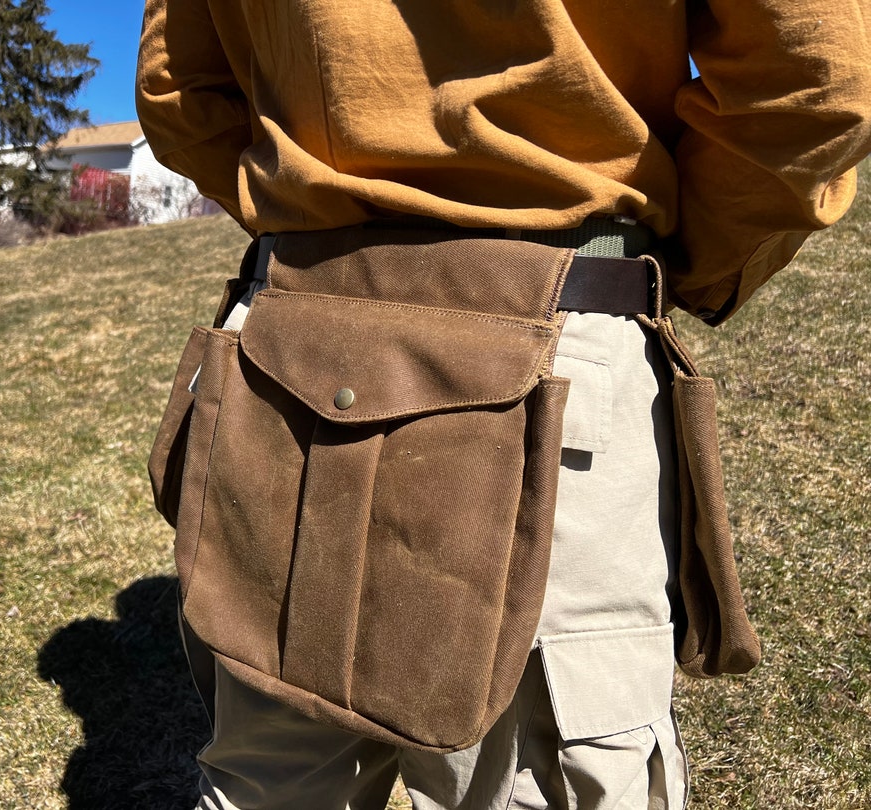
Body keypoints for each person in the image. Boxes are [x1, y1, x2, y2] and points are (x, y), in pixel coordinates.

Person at [135, 2, 871, 808]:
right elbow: (815, 80)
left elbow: (180, 92)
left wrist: (316, 213)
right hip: (552, 327)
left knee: (272, 774)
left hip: (293, 347)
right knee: (547, 781)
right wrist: (688, 261)